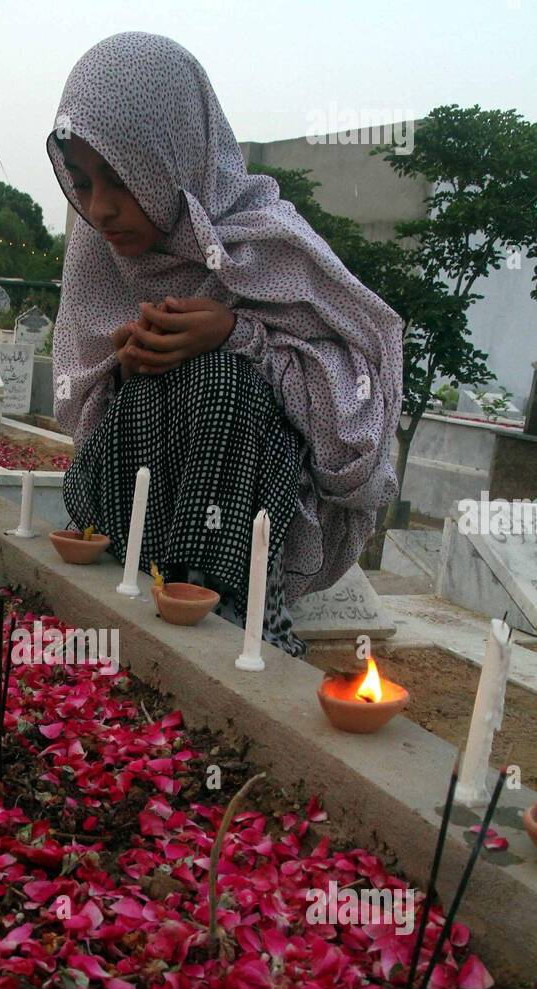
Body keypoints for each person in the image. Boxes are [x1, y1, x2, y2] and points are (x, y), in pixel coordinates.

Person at [47, 32, 403, 656]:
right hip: (125, 501)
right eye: (81, 182)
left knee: (219, 379)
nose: (99, 209)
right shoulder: (95, 256)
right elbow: (78, 406)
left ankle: (224, 600)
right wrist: (125, 368)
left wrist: (238, 335)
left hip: (250, 521)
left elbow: (353, 430)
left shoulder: (262, 241)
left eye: (120, 178)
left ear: (172, 156)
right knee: (162, 383)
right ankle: (150, 579)